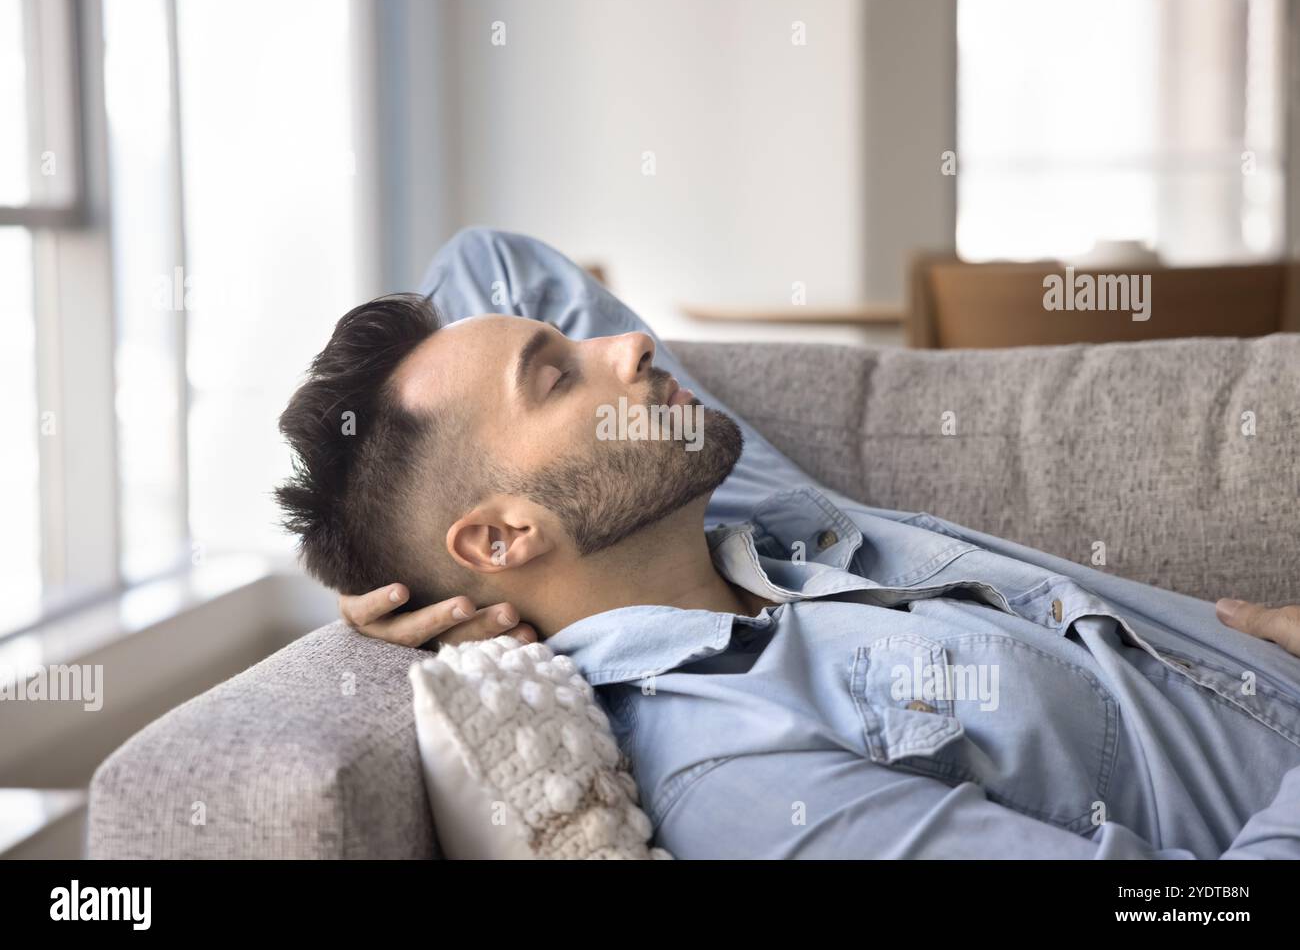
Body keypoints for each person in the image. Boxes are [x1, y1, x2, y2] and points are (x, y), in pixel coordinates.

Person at [277, 227, 1300, 858]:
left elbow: (489, 259)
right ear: (504, 533)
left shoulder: (749, 523)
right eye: (557, 377)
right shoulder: (739, 776)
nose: (628, 344)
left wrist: (409, 566)